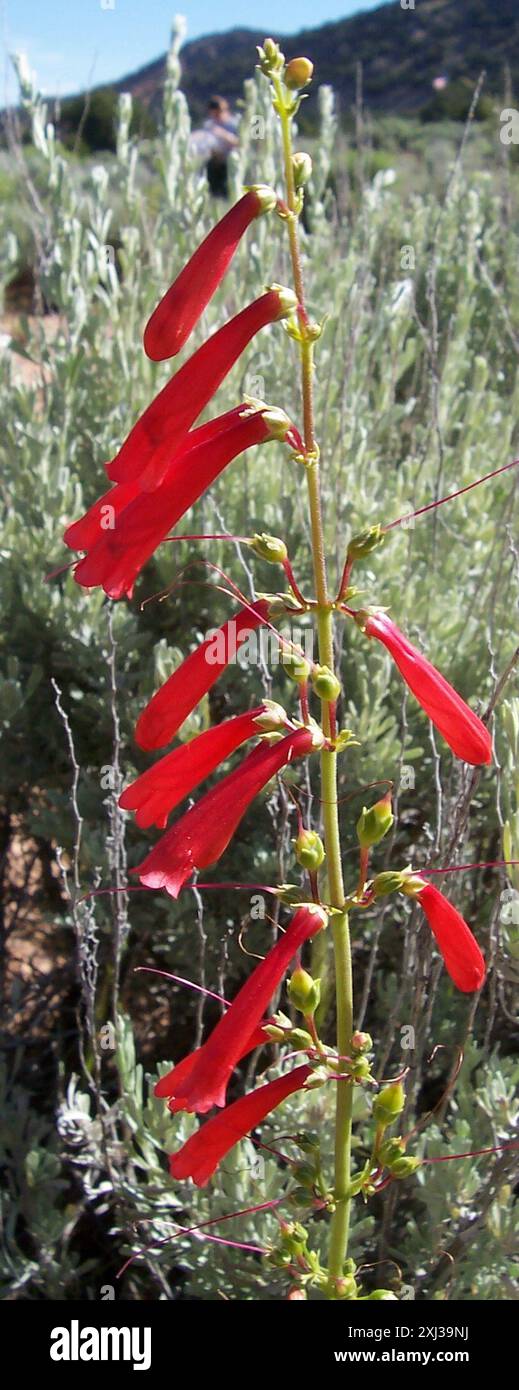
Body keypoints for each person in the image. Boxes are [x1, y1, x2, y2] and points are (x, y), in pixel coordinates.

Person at [190, 95, 239, 196]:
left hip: (231, 165)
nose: (218, 114)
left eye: (221, 110)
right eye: (214, 112)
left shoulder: (234, 124)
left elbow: (242, 144)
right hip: (212, 165)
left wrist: (225, 135)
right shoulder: (209, 125)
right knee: (214, 195)